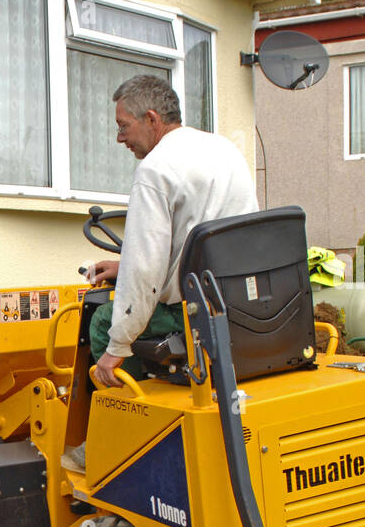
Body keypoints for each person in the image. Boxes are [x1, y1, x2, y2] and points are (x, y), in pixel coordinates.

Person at [88, 75, 258, 390]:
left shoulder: (155, 169)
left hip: (193, 313)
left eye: (123, 126)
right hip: (241, 305)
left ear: (151, 119)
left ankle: (133, 421)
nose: (119, 138)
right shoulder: (225, 150)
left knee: (101, 321)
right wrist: (121, 267)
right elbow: (197, 241)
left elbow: (144, 272)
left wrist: (116, 349)